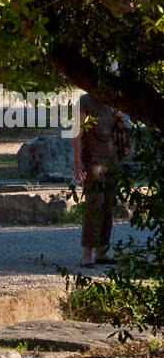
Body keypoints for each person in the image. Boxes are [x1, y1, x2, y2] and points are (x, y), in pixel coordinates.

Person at [72, 92, 127, 267]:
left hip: (112, 161)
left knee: (109, 205)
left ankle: (102, 252)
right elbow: (76, 132)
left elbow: (119, 132)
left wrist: (118, 117)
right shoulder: (85, 101)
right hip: (93, 159)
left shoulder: (112, 100)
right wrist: (77, 162)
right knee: (94, 204)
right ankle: (87, 253)